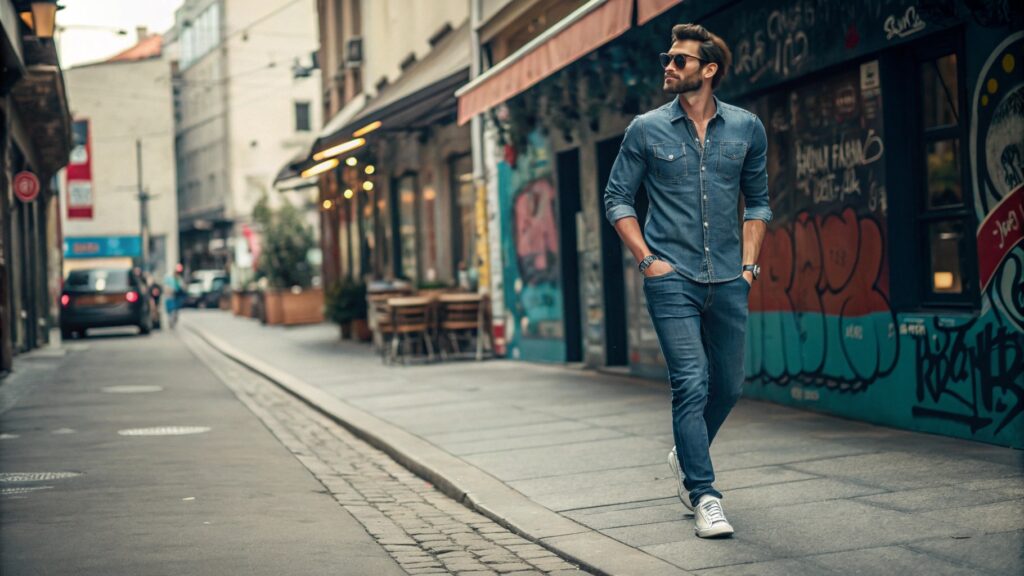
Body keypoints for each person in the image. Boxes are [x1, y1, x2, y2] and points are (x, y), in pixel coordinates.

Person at [603, 23, 771, 538]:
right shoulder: (645, 129)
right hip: (670, 276)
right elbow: (617, 199)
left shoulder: (746, 128)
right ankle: (705, 495)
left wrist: (748, 268)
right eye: (667, 59)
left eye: (679, 60)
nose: (668, 67)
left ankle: (686, 450)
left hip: (728, 277)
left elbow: (758, 201)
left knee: (729, 386)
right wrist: (647, 258)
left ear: (709, 69)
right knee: (691, 382)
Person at [164, 263, 186, 329]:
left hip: (177, 295)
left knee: (176, 310)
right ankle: (170, 320)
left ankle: (174, 319)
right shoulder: (168, 277)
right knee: (170, 309)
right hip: (170, 295)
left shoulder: (179, 278)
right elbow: (166, 286)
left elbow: (182, 286)